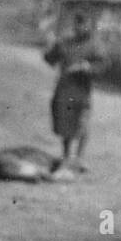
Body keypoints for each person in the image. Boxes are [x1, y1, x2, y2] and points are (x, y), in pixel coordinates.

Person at [44, 10, 106, 170]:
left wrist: (88, 67)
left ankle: (79, 158)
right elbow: (50, 59)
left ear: (89, 26)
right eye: (78, 24)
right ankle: (66, 156)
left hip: (82, 90)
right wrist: (50, 45)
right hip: (65, 89)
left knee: (82, 123)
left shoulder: (94, 45)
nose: (81, 28)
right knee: (65, 123)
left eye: (84, 24)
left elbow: (103, 64)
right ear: (75, 25)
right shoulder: (65, 42)